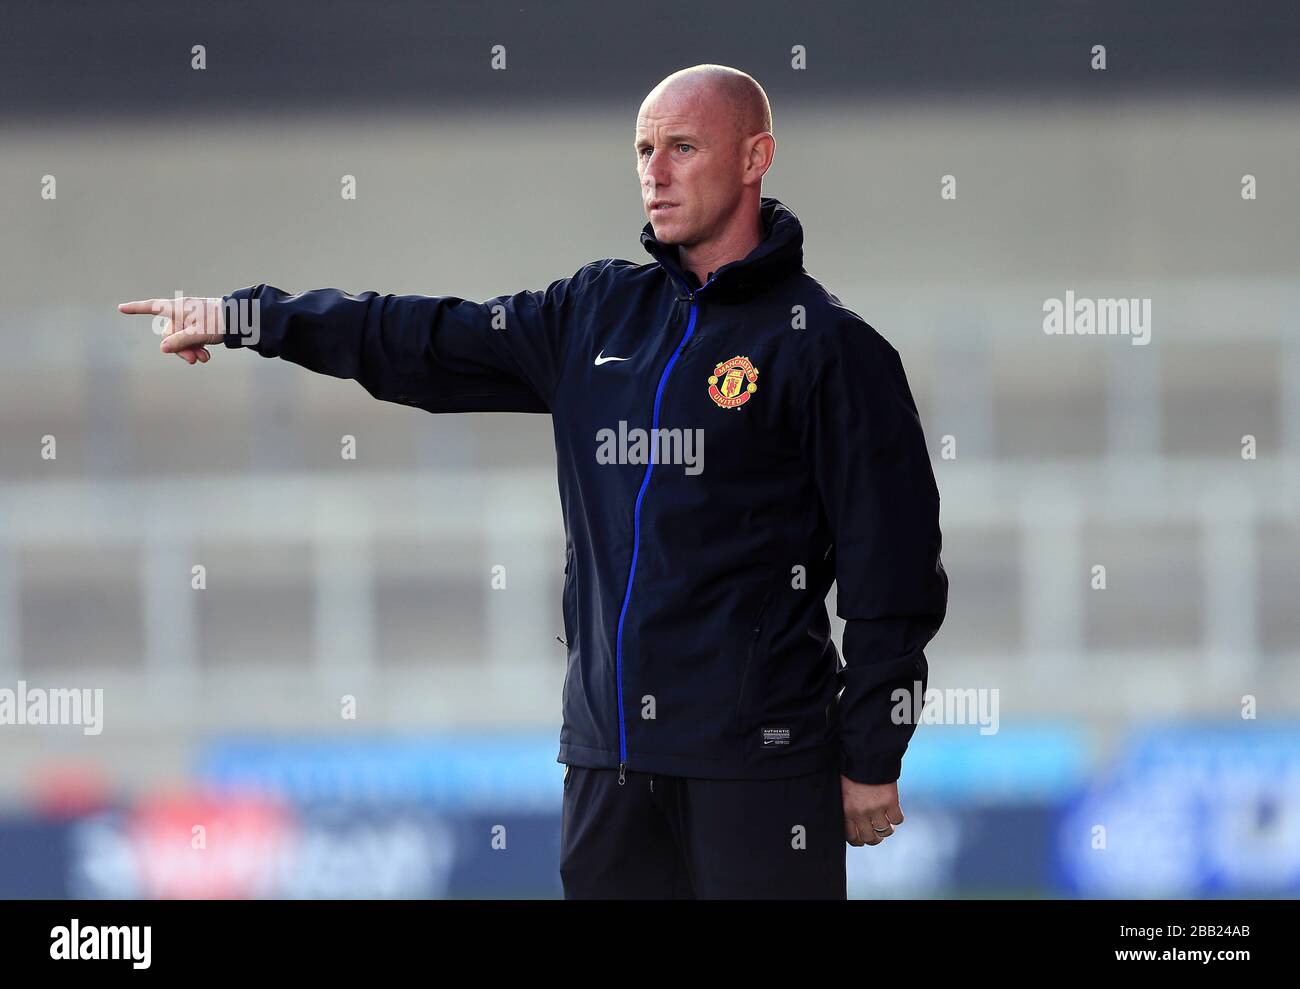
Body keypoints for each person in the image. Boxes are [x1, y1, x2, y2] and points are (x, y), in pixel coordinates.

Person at [119, 63, 948, 899]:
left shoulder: (828, 347)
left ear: (754, 156)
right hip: (606, 767)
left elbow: (896, 570)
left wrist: (873, 749)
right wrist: (252, 318)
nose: (654, 174)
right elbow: (423, 338)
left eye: (683, 147)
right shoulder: (593, 312)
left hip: (761, 767)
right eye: (643, 150)